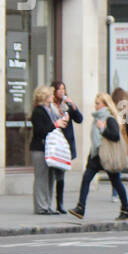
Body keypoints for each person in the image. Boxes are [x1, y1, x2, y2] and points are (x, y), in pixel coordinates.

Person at [69, 93, 128, 220]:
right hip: (96, 155)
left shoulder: (109, 119)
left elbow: (114, 136)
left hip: (107, 156)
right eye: (95, 103)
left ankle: (126, 209)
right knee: (86, 179)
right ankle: (80, 208)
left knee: (116, 182)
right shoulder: (97, 118)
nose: (95, 105)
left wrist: (103, 129)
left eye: (98, 103)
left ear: (105, 104)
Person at [30, 85, 67, 214]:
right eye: (50, 95)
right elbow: (41, 131)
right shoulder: (38, 111)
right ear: (45, 97)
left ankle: (48, 205)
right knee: (41, 178)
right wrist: (55, 125)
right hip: (39, 148)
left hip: (50, 148)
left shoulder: (50, 110)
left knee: (50, 177)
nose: (53, 97)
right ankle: (41, 207)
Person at [51, 81, 84, 214]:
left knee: (61, 175)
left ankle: (60, 203)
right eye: (59, 89)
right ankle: (48, 202)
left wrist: (74, 107)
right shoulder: (51, 105)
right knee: (53, 174)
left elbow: (80, 119)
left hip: (65, 143)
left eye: (63, 89)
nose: (61, 91)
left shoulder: (67, 104)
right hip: (54, 141)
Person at [110, 86, 128, 202]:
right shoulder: (125, 108)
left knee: (115, 167)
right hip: (123, 140)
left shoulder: (111, 108)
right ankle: (116, 192)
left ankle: (114, 192)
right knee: (118, 168)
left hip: (113, 139)